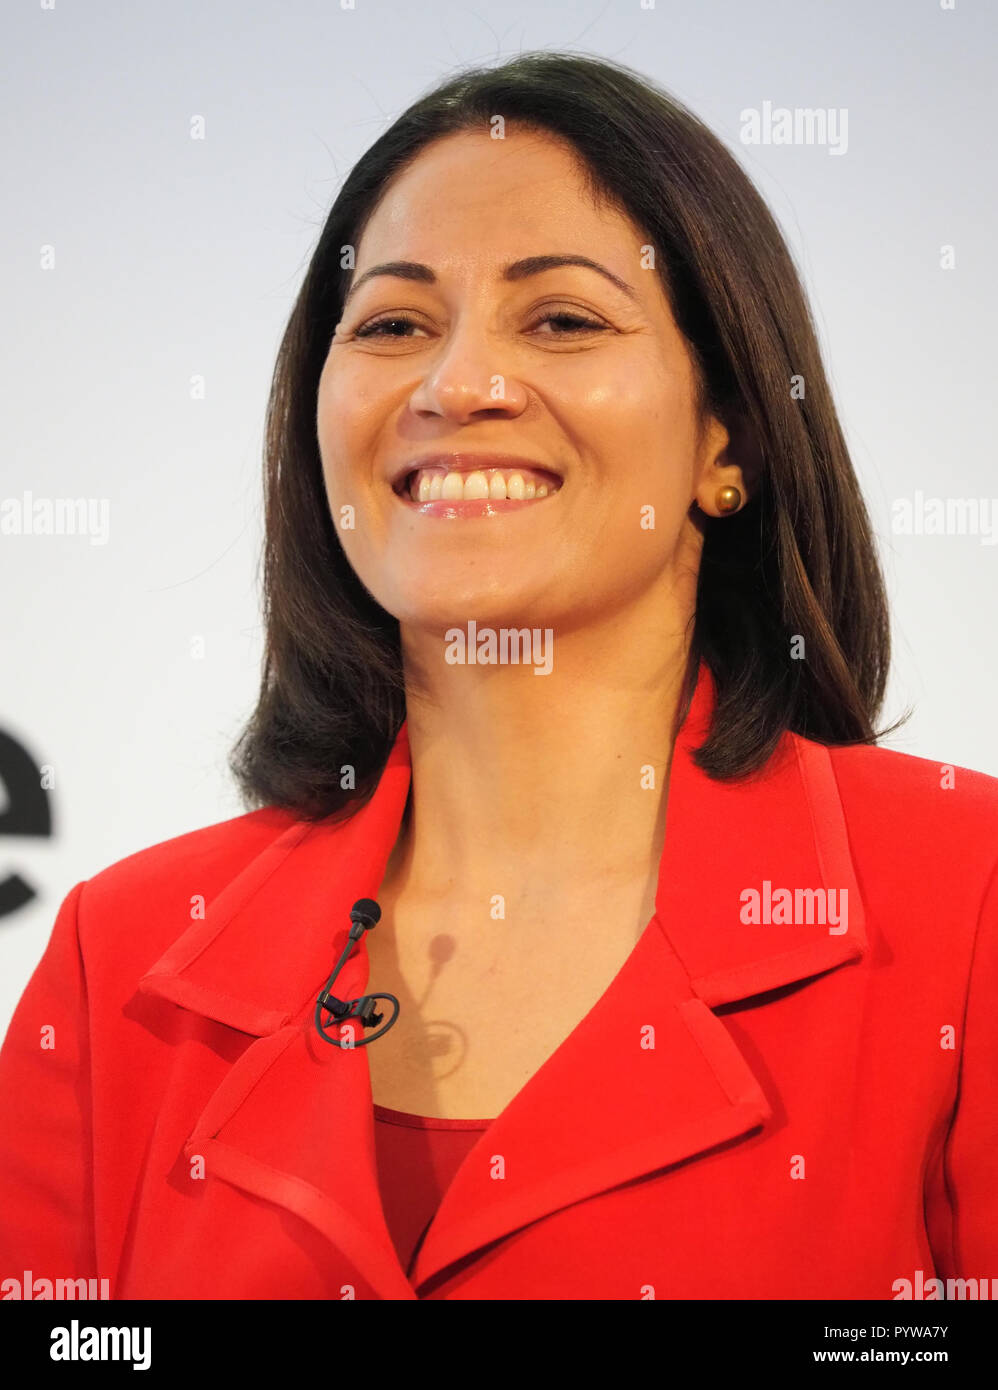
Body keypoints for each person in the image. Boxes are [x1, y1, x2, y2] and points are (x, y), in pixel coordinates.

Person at [1, 51, 995, 1302]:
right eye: (393, 324)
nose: (454, 384)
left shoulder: (968, 901)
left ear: (724, 436)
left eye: (563, 319)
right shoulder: (122, 963)